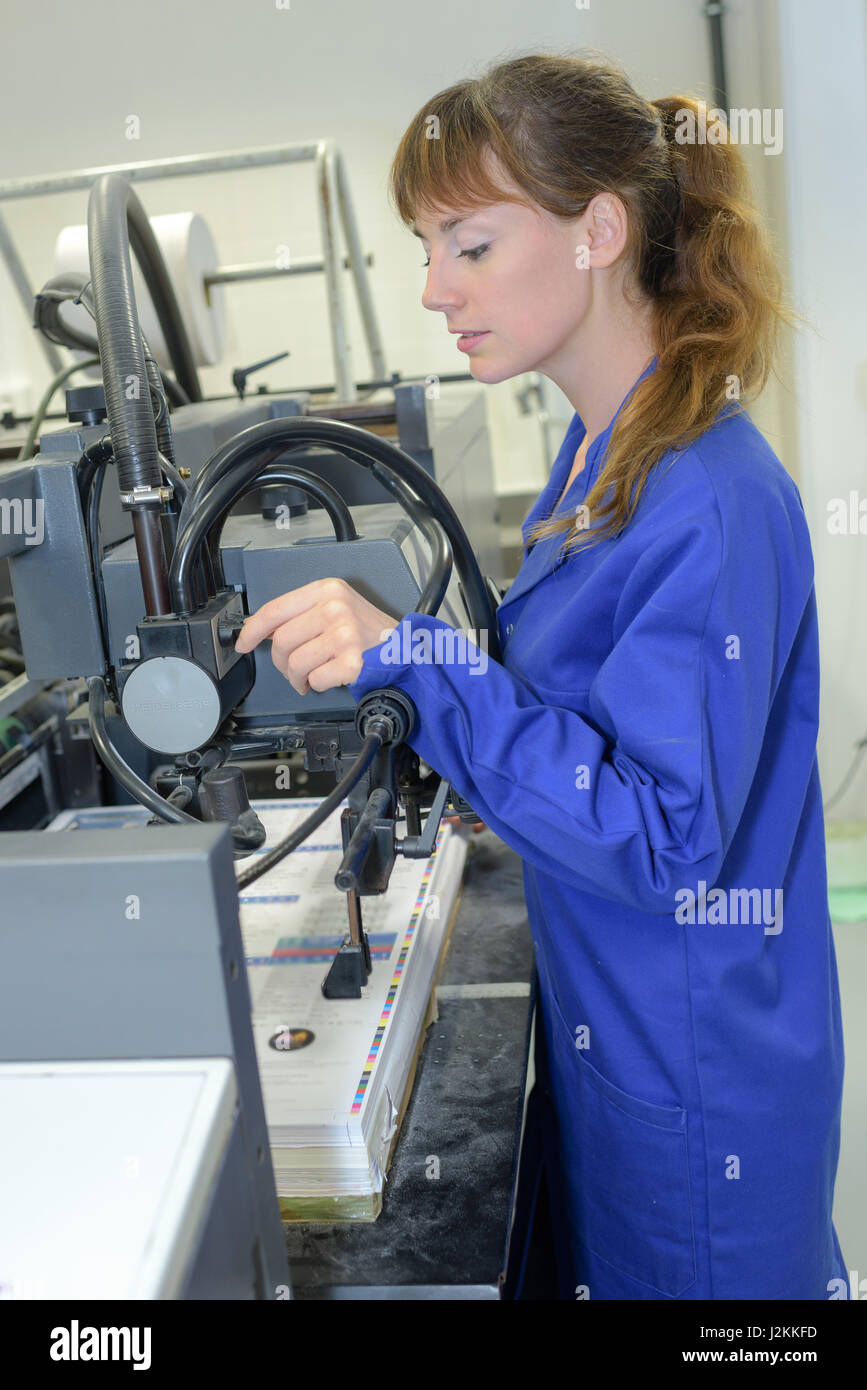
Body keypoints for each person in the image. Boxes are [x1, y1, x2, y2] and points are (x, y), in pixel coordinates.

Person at [235, 53, 849, 1301]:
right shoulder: (601, 454)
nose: (431, 289)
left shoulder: (710, 501)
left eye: (468, 243)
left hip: (697, 1071)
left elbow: (669, 837)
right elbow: (592, 723)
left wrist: (418, 663)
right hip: (622, 1029)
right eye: (425, 249)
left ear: (599, 232)